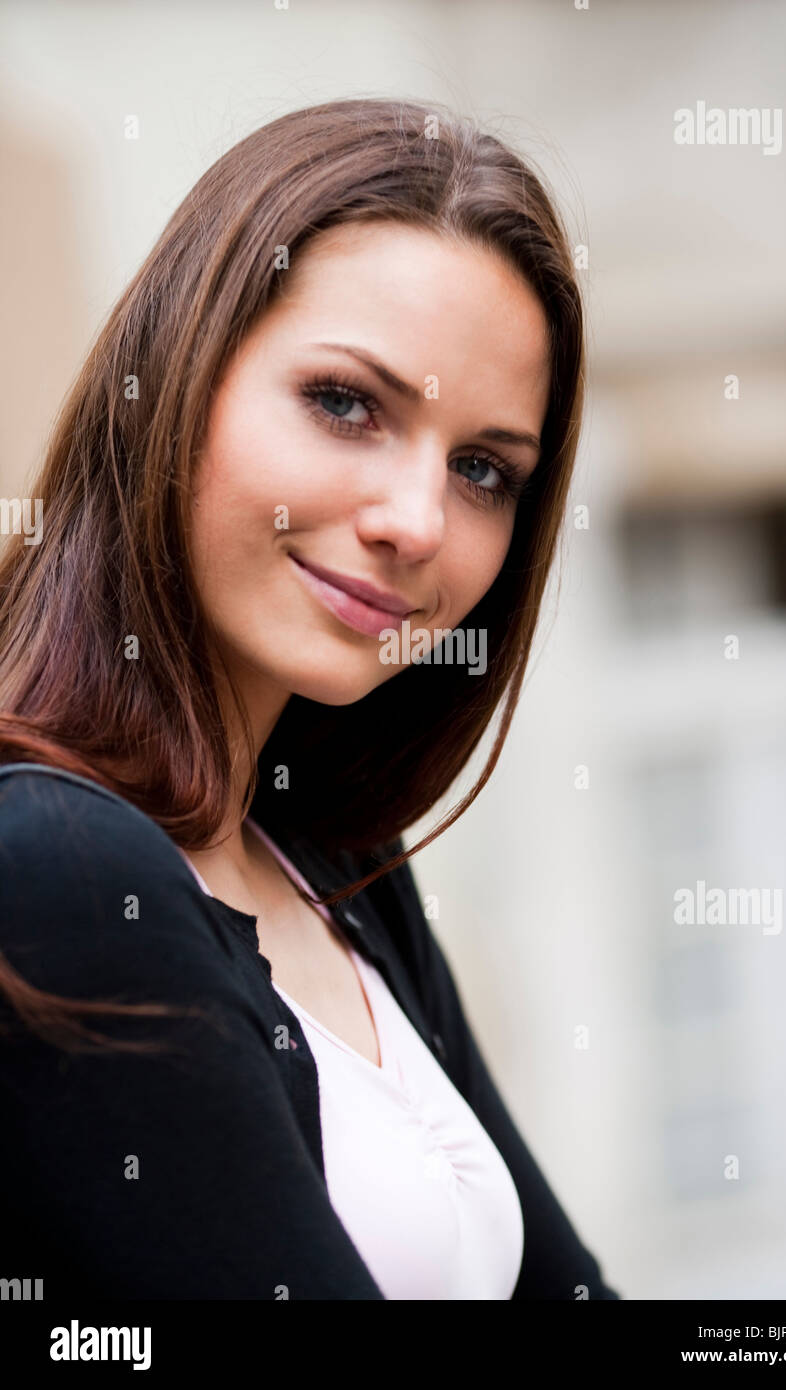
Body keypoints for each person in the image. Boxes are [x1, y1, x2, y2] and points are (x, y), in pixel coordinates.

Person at [0, 96, 618, 1300]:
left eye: (482, 468)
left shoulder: (328, 857)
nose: (417, 522)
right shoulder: (57, 864)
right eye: (346, 403)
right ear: (174, 377)